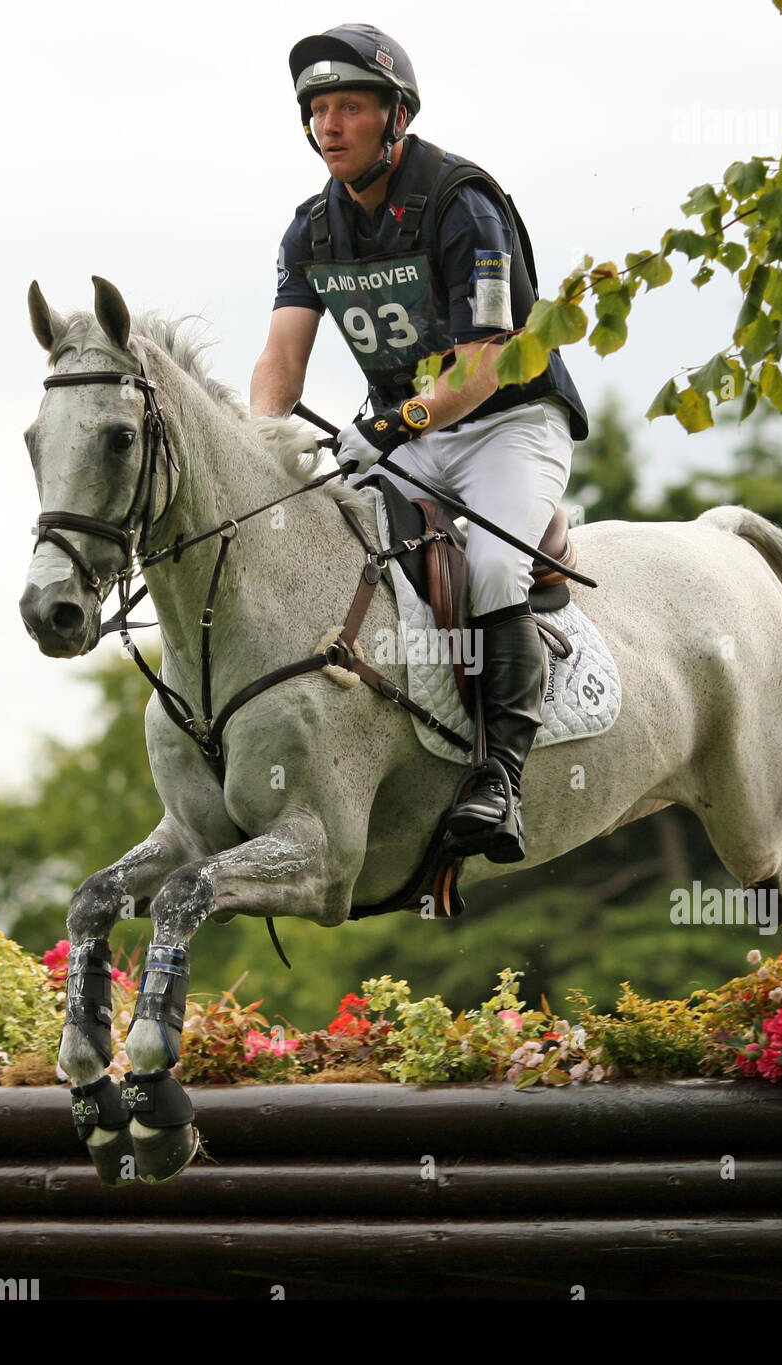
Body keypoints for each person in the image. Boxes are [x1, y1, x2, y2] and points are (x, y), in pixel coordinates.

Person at [250, 23, 588, 864]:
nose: (330, 126)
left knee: (492, 566)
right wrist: (258, 447)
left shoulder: (461, 203)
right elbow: (280, 370)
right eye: (318, 111)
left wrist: (391, 426)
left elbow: (479, 368)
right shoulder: (311, 232)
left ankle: (500, 777)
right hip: (406, 436)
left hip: (508, 425)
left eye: (350, 107)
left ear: (394, 116)